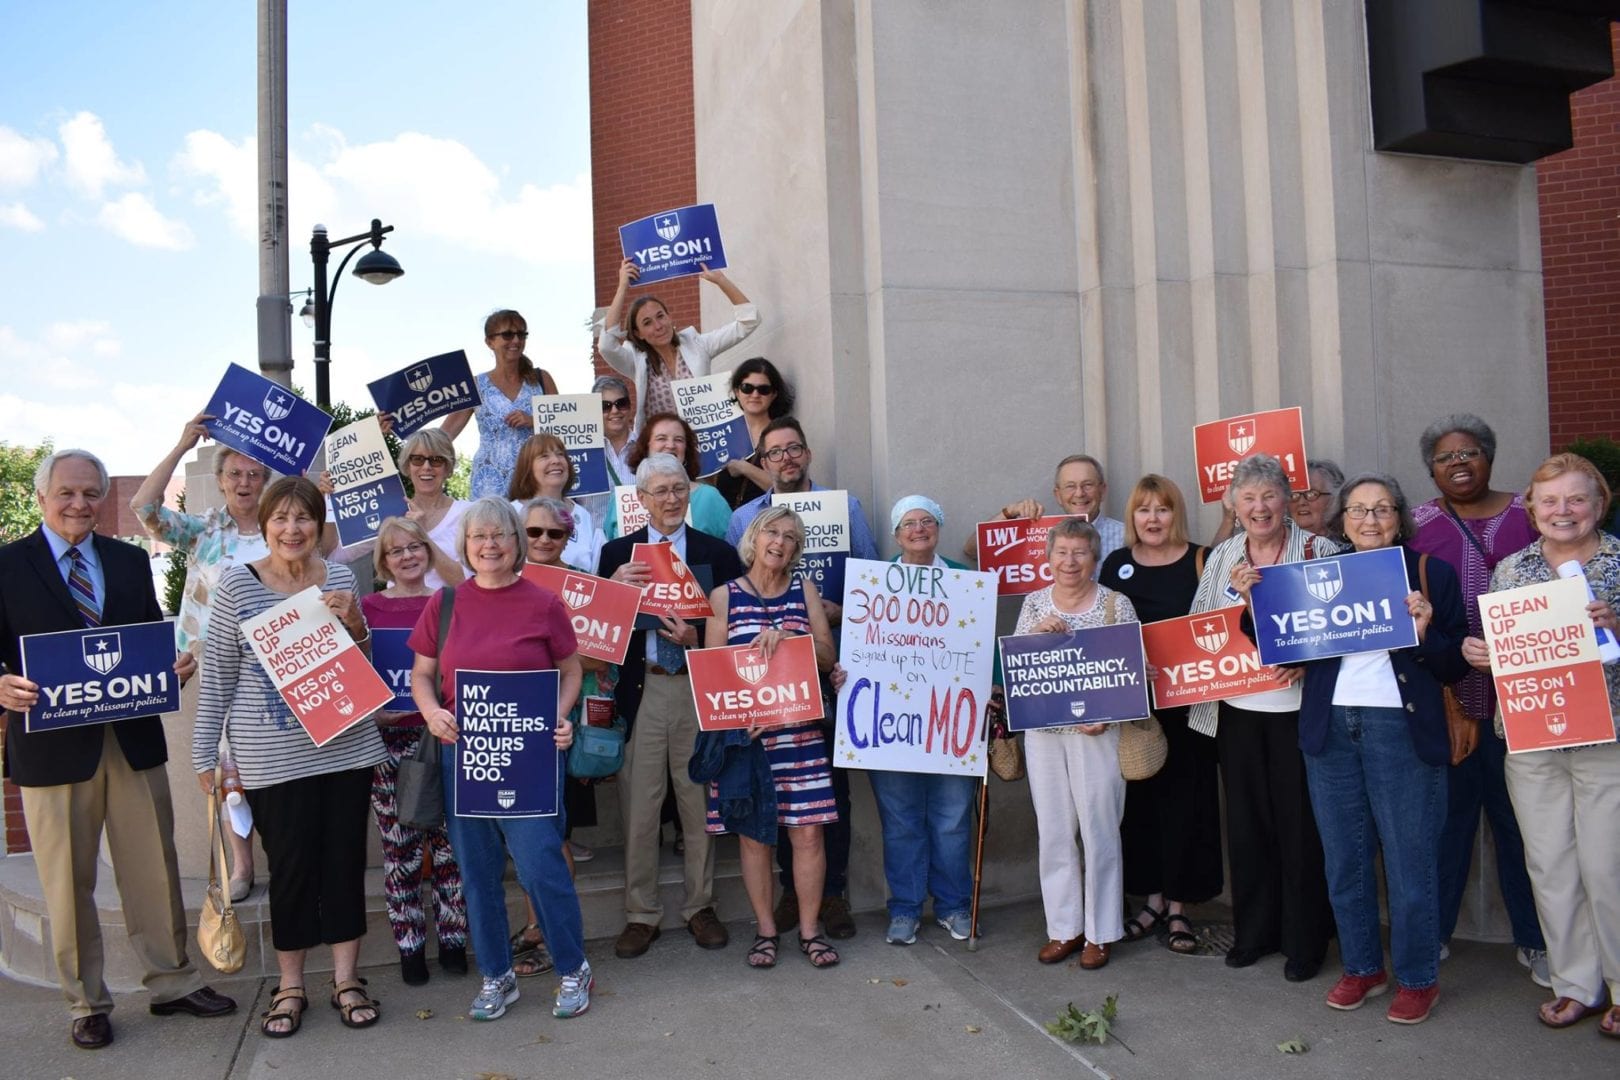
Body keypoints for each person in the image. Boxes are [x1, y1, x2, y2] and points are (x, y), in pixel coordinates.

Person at [0, 449, 236, 1051]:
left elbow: (146, 638)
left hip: (130, 740)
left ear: (104, 499)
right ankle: (86, 1001)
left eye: (90, 493)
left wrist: (171, 666)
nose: (79, 504)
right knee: (65, 879)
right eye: (67, 493)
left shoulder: (130, 562)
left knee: (152, 867)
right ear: (41, 498)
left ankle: (174, 982)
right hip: (51, 749)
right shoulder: (7, 566)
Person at [1246, 474, 1467, 1025]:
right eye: (1359, 510)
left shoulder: (1428, 573)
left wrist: (1424, 631)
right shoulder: (1319, 574)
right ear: (1341, 518)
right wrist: (1254, 599)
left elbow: (1454, 665)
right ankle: (1363, 967)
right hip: (1331, 728)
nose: (1370, 520)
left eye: (1383, 509)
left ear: (1400, 518)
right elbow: (1281, 635)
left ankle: (1418, 978)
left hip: (1401, 730)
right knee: (1344, 859)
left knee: (1409, 860)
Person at [193, 477, 384, 1038]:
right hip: (272, 756)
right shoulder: (237, 586)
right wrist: (206, 755)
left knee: (345, 864)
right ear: (266, 525)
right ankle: (291, 985)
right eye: (281, 518)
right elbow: (218, 678)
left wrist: (354, 621)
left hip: (345, 747)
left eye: (304, 518)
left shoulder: (343, 576)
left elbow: (362, 655)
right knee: (293, 870)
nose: (292, 529)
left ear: (318, 524)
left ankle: (347, 980)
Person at [408, 497, 591, 1022]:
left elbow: (571, 671)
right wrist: (431, 712)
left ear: (517, 543)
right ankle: (497, 975)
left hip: (530, 760)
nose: (489, 545)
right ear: (464, 545)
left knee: (540, 867)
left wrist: (558, 717)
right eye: (478, 536)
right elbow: (422, 676)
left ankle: (573, 968)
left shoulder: (543, 603)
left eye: (500, 535)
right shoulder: (443, 605)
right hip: (463, 760)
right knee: (477, 874)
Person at [1461, 453, 1620, 1035]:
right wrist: (1480, 656)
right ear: (1531, 508)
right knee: (1549, 864)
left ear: (1598, 506)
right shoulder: (1511, 570)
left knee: (1609, 867)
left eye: (1576, 499)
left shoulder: (1619, 564)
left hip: (1608, 738)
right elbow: (1507, 652)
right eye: (1549, 500)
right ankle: (1577, 984)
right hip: (1532, 739)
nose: (1563, 511)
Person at [724, 416, 881, 940]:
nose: (786, 458)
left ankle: (829, 897)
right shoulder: (744, 519)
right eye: (774, 452)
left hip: (821, 692)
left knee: (827, 802)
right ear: (763, 463)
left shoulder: (846, 507)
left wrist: (839, 614)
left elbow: (874, 578)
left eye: (794, 449)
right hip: (753, 722)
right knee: (766, 822)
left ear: (807, 454)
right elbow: (717, 652)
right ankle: (787, 902)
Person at [1187, 453, 1340, 981]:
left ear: (1287, 500)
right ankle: (1255, 932)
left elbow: (1342, 627)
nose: (1259, 507)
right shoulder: (1222, 554)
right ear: (1233, 503)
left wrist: (1309, 659)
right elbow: (1199, 627)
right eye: (1248, 498)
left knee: (1301, 829)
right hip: (1238, 712)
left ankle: (1305, 941)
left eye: (1269, 495)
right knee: (1248, 829)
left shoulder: (1320, 550)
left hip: (1298, 713)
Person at [1408, 413, 1548, 986]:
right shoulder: (1415, 524)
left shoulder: (1531, 515)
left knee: (1521, 828)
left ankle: (1535, 940)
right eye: (1445, 457)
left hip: (1526, 704)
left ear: (1490, 456)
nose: (1458, 464)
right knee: (1448, 823)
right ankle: (1435, 932)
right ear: (1431, 470)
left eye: (1469, 453)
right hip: (1451, 701)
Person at [597, 453, 746, 959]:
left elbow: (736, 628)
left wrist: (696, 635)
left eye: (678, 489)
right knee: (638, 807)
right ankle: (641, 915)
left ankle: (700, 906)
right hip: (643, 689)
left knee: (698, 803)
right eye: (659, 491)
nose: (670, 499)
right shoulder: (618, 552)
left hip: (694, 687)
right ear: (639, 500)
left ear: (690, 492)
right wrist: (613, 592)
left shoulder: (717, 553)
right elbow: (601, 637)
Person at [131, 414, 271, 902]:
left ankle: (286, 856)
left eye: (254, 474)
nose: (244, 482)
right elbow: (144, 508)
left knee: (270, 765)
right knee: (225, 767)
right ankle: (241, 864)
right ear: (220, 481)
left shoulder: (284, 529)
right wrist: (183, 441)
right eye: (234, 474)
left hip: (275, 665)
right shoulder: (204, 530)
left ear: (266, 481)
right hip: (215, 666)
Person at [702, 506, 841, 968]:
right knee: (755, 838)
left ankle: (809, 930)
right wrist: (739, 718)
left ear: (796, 550)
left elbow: (827, 656)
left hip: (799, 737)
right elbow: (712, 672)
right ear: (754, 540)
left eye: (789, 537)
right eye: (771, 533)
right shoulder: (723, 597)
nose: (779, 542)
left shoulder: (805, 591)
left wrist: (787, 637)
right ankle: (765, 932)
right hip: (748, 741)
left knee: (808, 837)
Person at [1098, 475, 1222, 955]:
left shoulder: (1203, 559)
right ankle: (1150, 902)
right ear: (1132, 517)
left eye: (1162, 509)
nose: (1153, 518)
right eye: (1144, 509)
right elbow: (1101, 627)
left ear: (1177, 515)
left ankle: (1179, 909)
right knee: (1143, 807)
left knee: (1188, 806)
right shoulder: (1117, 564)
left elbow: (1220, 624)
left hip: (1191, 707)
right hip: (1137, 709)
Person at [1015, 518, 1135, 970]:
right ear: (1048, 559)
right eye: (1061, 552)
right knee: (1054, 831)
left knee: (1100, 829)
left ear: (1095, 559)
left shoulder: (1115, 604)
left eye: (1079, 552)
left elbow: (1129, 670)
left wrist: (1108, 714)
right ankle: (1063, 928)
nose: (1070, 561)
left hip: (1096, 735)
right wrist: (1036, 637)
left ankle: (1101, 932)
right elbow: (1022, 669)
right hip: (1045, 735)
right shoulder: (1032, 603)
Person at [865, 496, 980, 946]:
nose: (918, 529)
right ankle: (906, 909)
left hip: (952, 721)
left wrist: (989, 687)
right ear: (896, 535)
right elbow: (862, 648)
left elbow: (982, 642)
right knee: (901, 820)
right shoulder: (875, 584)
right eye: (908, 523)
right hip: (891, 726)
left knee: (952, 819)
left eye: (926, 521)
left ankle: (953, 906)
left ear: (939, 527)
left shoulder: (966, 581)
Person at [361, 517, 469, 986]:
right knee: (400, 848)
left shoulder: (450, 602)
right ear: (382, 561)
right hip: (390, 739)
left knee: (449, 848)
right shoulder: (365, 609)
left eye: (415, 546)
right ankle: (409, 947)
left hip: (444, 737)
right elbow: (351, 673)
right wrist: (371, 711)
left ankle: (453, 941)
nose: (407, 556)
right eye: (396, 551)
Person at [600, 258, 759, 433]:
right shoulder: (635, 360)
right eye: (647, 323)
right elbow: (607, 346)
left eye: (660, 316)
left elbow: (749, 322)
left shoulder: (698, 345)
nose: (658, 326)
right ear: (639, 334)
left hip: (701, 445)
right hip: (658, 453)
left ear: (669, 317)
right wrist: (622, 286)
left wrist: (721, 281)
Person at [438, 309, 560, 499]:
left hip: (535, 478)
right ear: (490, 342)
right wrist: (395, 428)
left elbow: (566, 426)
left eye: (521, 334)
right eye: (508, 334)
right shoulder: (476, 385)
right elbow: (443, 436)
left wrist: (534, 420)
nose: (516, 341)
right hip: (489, 483)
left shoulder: (541, 379)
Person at [966, 454, 1126, 566]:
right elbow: (972, 550)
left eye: (1088, 485)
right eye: (1070, 486)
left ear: (1103, 491)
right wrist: (1010, 512)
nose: (1079, 493)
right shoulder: (1040, 534)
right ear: (1058, 495)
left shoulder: (1125, 536)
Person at [602, 412, 732, 539]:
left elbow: (730, 549)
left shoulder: (709, 498)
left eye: (678, 440)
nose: (670, 445)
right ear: (646, 446)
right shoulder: (620, 499)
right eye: (661, 438)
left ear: (686, 449)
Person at [507, 433, 604, 573]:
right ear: (528, 467)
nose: (555, 460)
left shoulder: (584, 516)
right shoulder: (510, 514)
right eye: (544, 456)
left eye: (560, 454)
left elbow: (596, 572)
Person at [714, 358, 792, 509]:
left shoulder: (782, 433)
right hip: (726, 525)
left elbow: (788, 487)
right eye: (747, 388)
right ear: (737, 391)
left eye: (763, 390)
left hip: (768, 523)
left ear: (774, 394)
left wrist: (745, 468)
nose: (755, 394)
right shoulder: (722, 434)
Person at [576, 374, 637, 529]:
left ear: (629, 407)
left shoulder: (648, 448)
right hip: (598, 544)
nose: (615, 411)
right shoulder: (581, 454)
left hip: (640, 541)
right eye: (605, 406)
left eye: (621, 403)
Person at [1289, 460, 1346, 540]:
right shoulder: (1278, 548)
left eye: (1312, 494)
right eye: (1294, 495)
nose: (1301, 502)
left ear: (1334, 499)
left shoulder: (1351, 547)